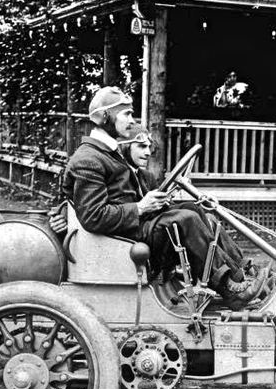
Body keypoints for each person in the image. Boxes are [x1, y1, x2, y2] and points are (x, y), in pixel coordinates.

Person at [60, 86, 263, 309]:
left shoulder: (108, 152)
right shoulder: (89, 159)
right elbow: (93, 217)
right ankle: (229, 289)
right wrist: (140, 207)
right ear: (105, 116)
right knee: (185, 219)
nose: (131, 119)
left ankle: (239, 279)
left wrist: (156, 203)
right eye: (126, 113)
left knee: (192, 209)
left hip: (131, 229)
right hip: (121, 237)